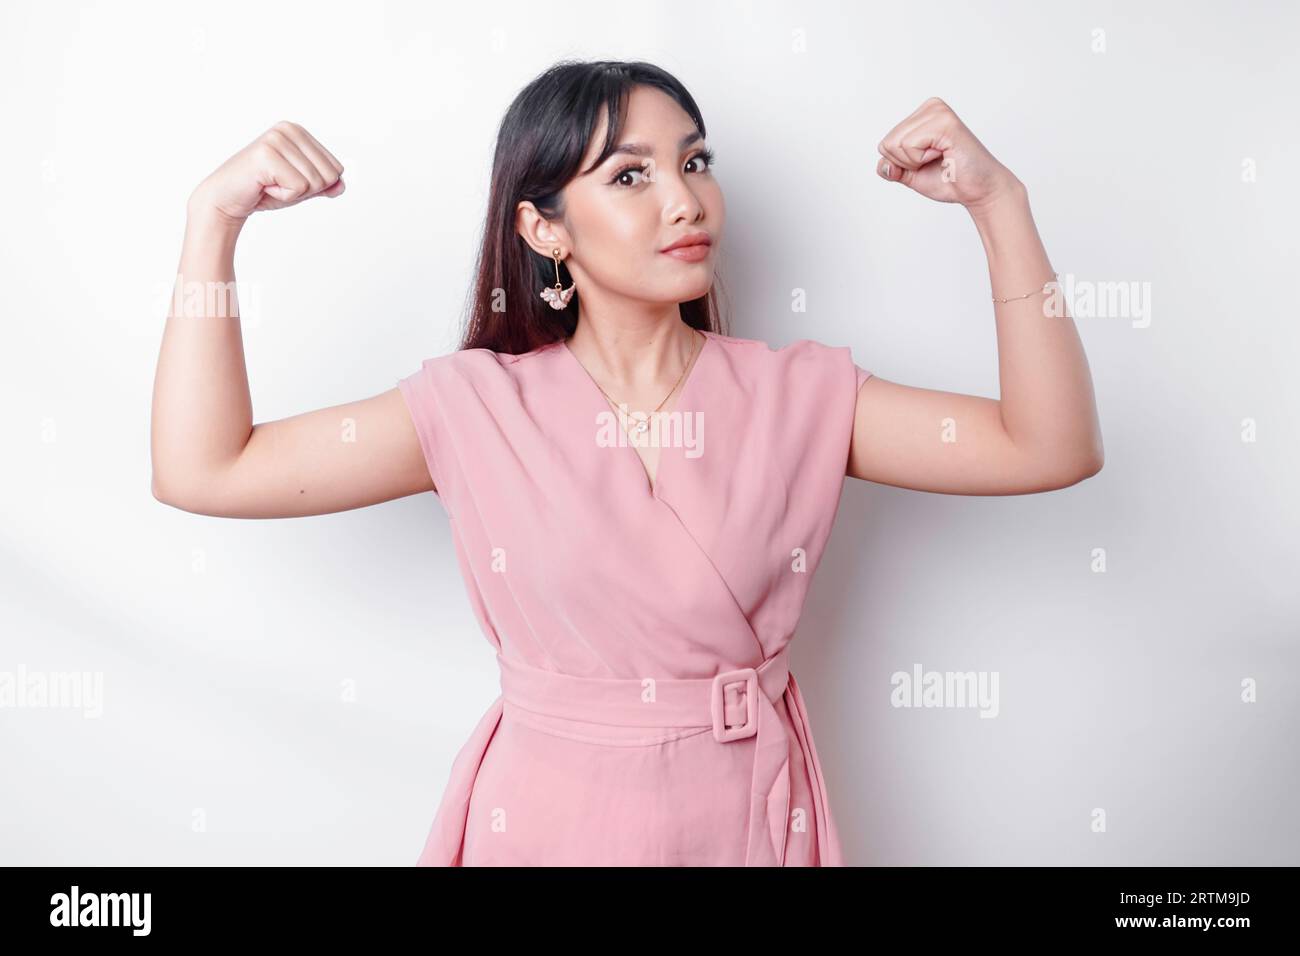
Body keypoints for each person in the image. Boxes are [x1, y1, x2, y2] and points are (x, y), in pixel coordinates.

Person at [150, 59, 1103, 866]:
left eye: (695, 162)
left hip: (742, 820)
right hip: (545, 826)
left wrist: (998, 205)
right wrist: (211, 222)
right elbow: (205, 470)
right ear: (545, 231)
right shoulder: (475, 407)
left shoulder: (801, 398)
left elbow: (1050, 446)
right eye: (630, 175)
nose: (686, 199)